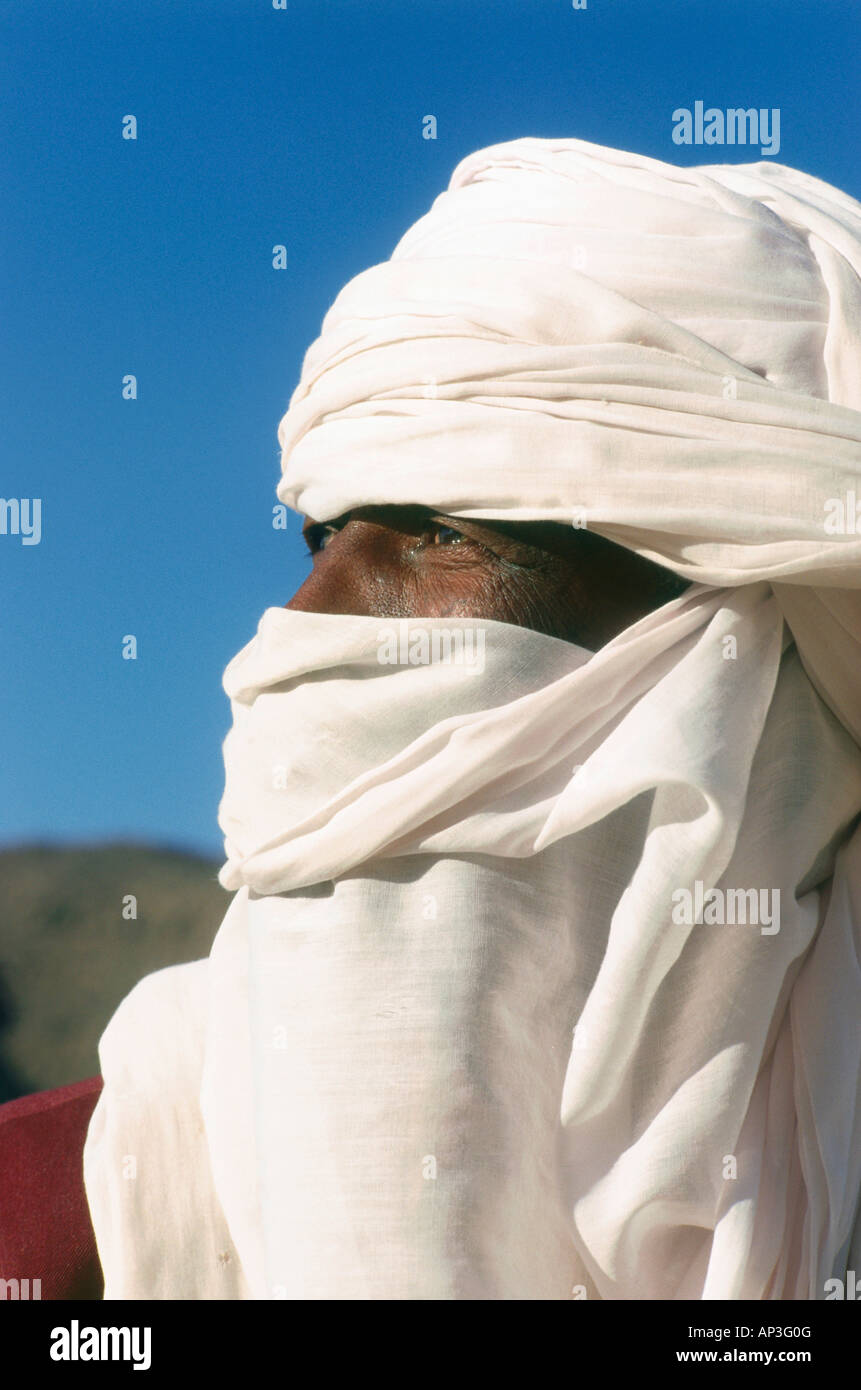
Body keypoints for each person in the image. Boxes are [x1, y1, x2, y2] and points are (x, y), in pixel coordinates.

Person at [3, 136, 861, 1300]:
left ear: (766, 649)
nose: (294, 633)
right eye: (323, 542)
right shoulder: (52, 1223)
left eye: (450, 535)